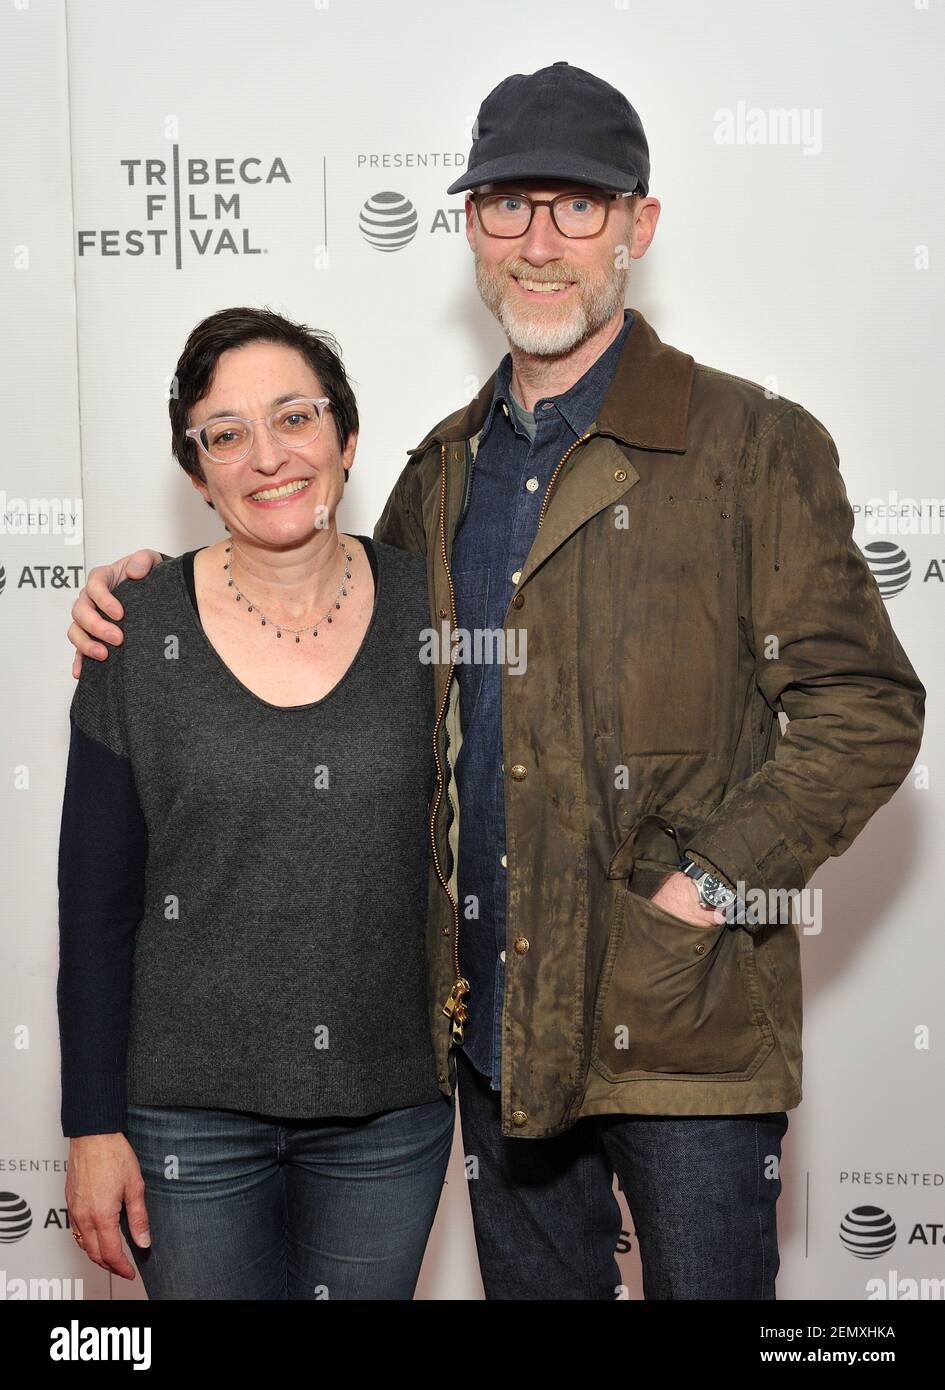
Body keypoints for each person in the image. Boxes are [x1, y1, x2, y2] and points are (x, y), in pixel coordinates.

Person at [66, 63, 926, 1301]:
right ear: (469, 231)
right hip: (490, 1048)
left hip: (684, 1035)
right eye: (508, 207)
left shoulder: (753, 445)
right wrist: (153, 589)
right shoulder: (439, 475)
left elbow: (866, 707)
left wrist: (703, 889)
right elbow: (325, 612)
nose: (540, 242)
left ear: (639, 227)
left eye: (578, 207)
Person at [58, 306, 455, 1300]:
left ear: (347, 439)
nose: (266, 455)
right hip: (183, 1119)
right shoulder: (135, 631)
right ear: (196, 474)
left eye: (295, 417)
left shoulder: (438, 614)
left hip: (389, 1107)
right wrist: (90, 1124)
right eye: (224, 434)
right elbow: (95, 907)